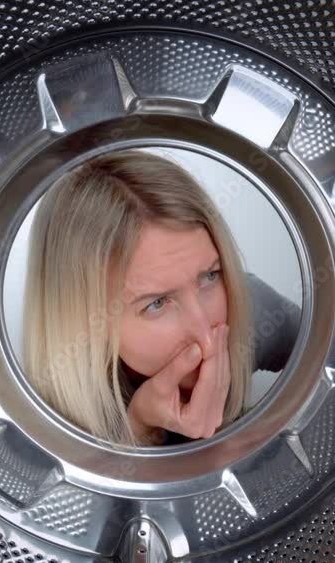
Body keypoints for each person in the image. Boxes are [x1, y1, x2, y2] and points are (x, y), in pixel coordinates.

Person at [22, 149, 300, 447]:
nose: (207, 339)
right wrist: (141, 429)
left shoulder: (248, 307)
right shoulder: (44, 425)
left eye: (209, 276)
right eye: (156, 303)